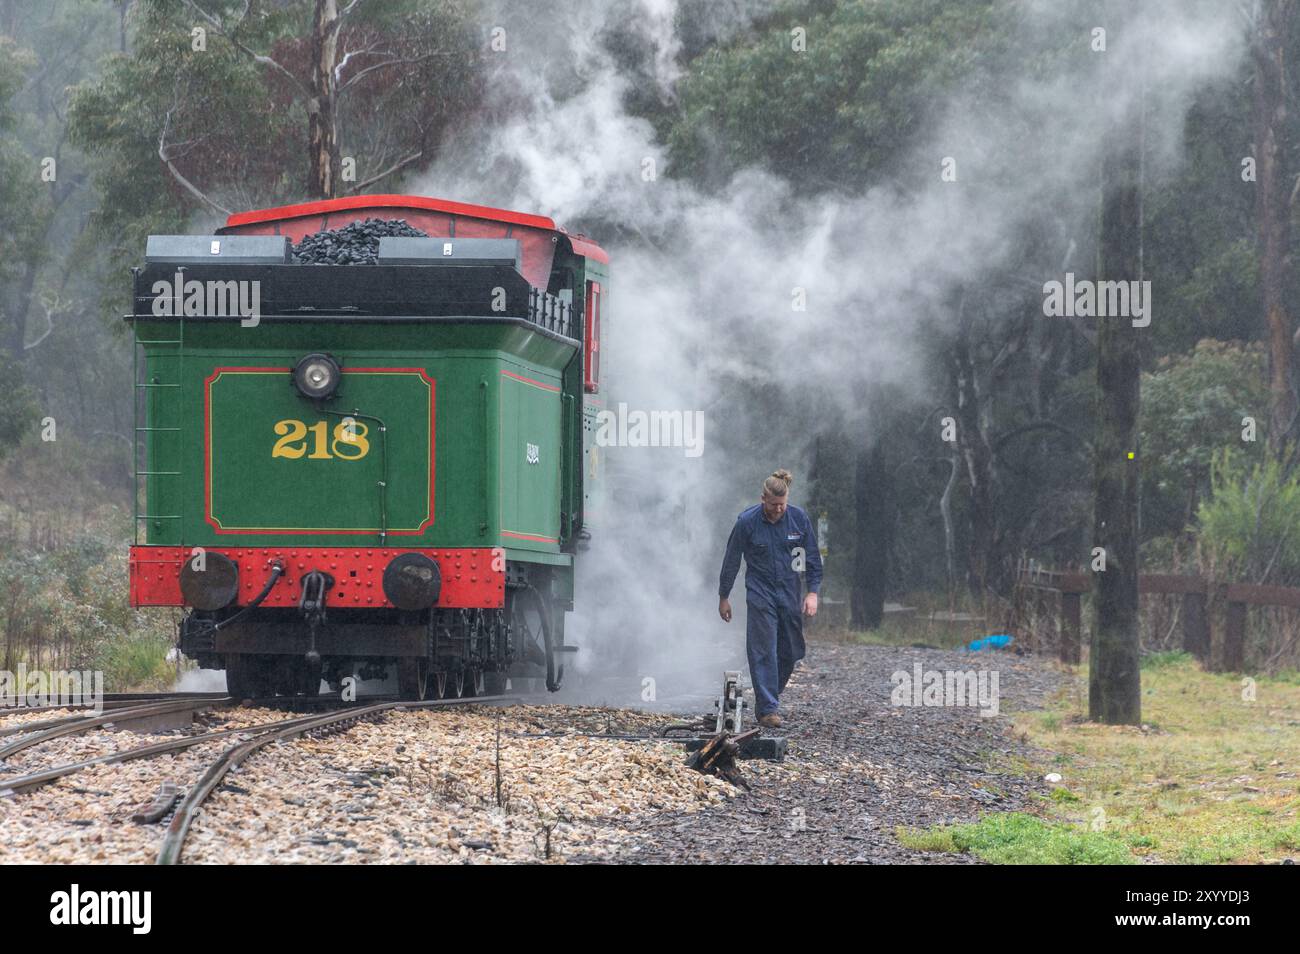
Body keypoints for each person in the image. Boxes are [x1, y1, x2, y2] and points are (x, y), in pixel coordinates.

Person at [717, 468, 822, 728]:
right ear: (763, 498)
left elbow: (811, 557)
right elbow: (731, 560)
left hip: (789, 591)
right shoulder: (747, 522)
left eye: (782, 505)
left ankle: (769, 697)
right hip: (760, 592)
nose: (778, 510)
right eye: (774, 504)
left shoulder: (798, 519)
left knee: (791, 650)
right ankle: (768, 709)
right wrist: (724, 595)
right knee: (763, 648)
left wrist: (812, 592)